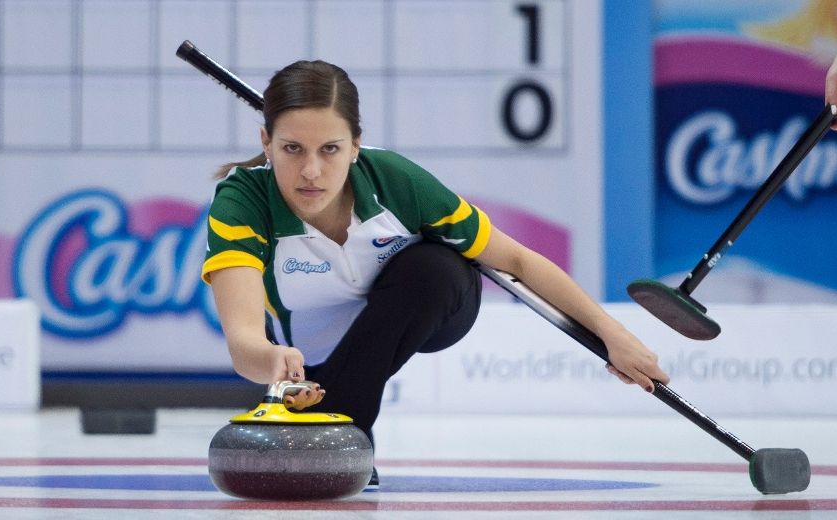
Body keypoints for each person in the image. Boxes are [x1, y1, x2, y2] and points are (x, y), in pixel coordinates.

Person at [201, 59, 670, 486]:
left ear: (356, 146)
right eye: (291, 149)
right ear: (265, 142)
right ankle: (335, 417)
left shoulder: (398, 182)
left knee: (438, 264)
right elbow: (245, 343)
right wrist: (275, 364)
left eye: (330, 149)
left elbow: (520, 262)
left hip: (429, 309)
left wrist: (614, 333)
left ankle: (347, 430)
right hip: (313, 359)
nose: (311, 171)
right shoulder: (241, 202)